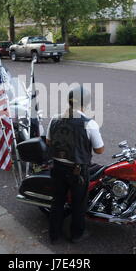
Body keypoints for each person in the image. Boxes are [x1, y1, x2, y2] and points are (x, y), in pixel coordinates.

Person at [46, 85, 105, 244]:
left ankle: (53, 235)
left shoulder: (55, 118)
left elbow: (48, 141)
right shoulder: (89, 123)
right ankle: (76, 235)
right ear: (85, 103)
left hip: (57, 167)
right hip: (77, 171)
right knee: (79, 204)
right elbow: (99, 150)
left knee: (57, 201)